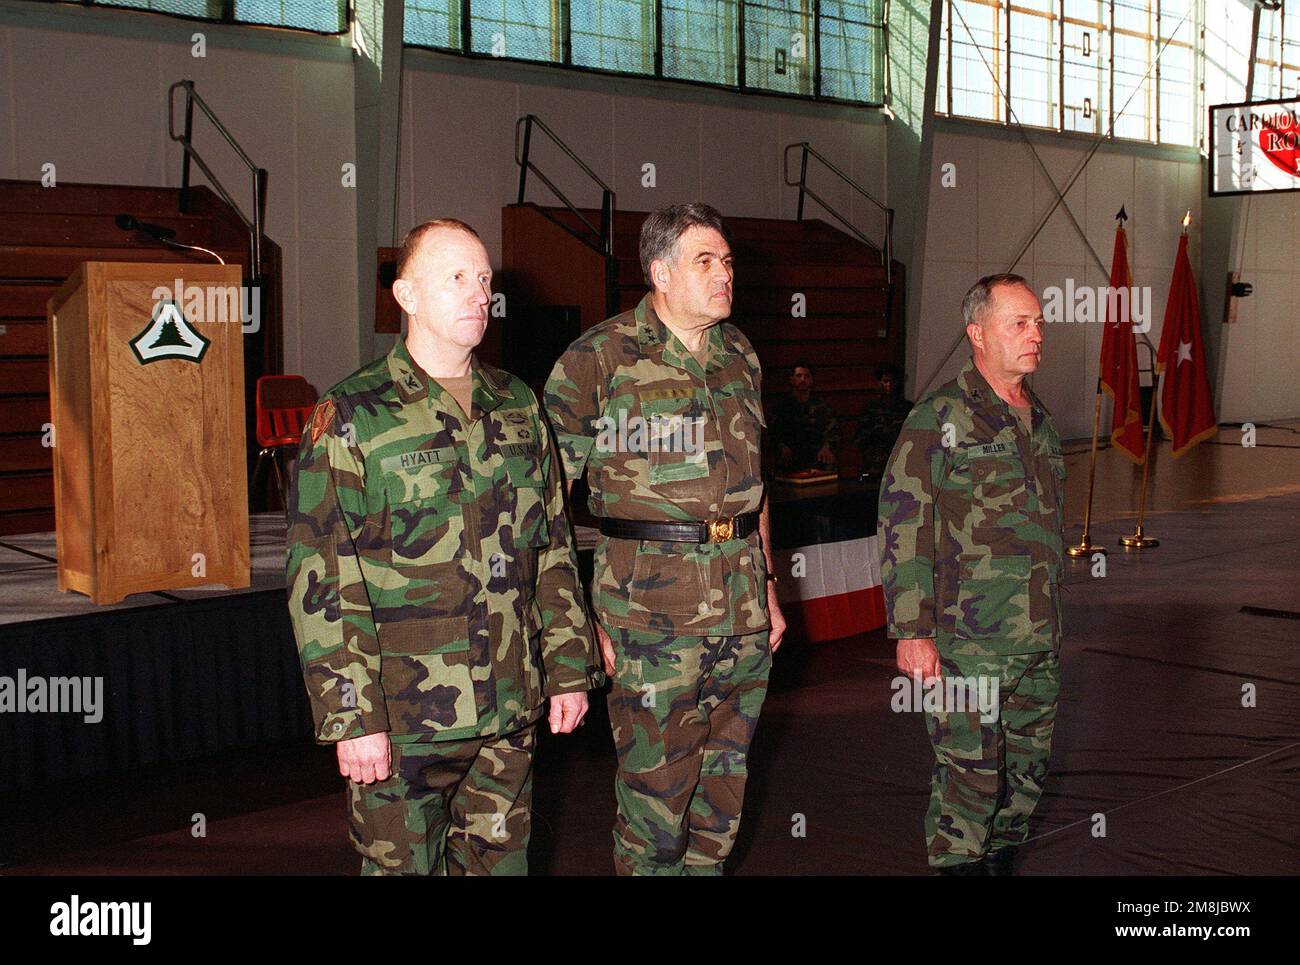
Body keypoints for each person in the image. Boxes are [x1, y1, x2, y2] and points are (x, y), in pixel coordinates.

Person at [286, 218, 602, 876]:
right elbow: (324, 577)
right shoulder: (352, 415)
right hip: (404, 721)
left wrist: (569, 666)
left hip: (510, 706)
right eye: (456, 277)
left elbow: (551, 546)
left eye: (484, 278)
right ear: (406, 295)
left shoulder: (517, 404)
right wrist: (353, 715)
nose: (479, 293)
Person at [544, 202, 787, 876]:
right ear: (660, 271)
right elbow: (544, 505)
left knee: (720, 809)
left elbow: (756, 484)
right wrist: (580, 621)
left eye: (727, 261)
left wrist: (769, 585)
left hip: (742, 616)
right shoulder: (598, 358)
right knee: (656, 817)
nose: (725, 274)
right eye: (705, 261)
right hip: (649, 623)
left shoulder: (740, 355)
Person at [877, 273, 1066, 876]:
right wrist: (912, 631)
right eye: (1020, 323)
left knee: (1024, 781)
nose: (1036, 334)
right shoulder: (940, 417)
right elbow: (903, 520)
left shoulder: (1039, 420)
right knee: (970, 785)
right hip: (967, 644)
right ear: (977, 334)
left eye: (1038, 323)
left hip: (1037, 639)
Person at [768, 361, 838, 472]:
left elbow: (832, 431)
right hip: (792, 455)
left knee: (828, 462)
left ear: (812, 380)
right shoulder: (782, 407)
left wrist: (827, 447)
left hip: (816, 455)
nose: (802, 380)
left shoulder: (822, 407)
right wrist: (782, 448)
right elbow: (773, 433)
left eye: (807, 376)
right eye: (799, 376)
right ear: (791, 379)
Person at [855, 362, 913, 478]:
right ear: (879, 383)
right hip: (875, 465)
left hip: (899, 464)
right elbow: (860, 439)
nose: (889, 385)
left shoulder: (907, 408)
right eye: (885, 381)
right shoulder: (870, 409)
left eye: (893, 381)